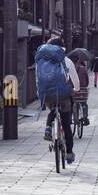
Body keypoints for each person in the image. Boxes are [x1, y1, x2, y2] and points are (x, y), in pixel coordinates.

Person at [36, 34, 76, 163]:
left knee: (52, 109)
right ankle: (69, 154)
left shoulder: (41, 60)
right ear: (61, 48)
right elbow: (75, 80)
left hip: (47, 95)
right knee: (66, 123)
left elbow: (38, 79)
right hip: (63, 95)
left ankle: (48, 128)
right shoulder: (66, 60)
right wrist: (76, 88)